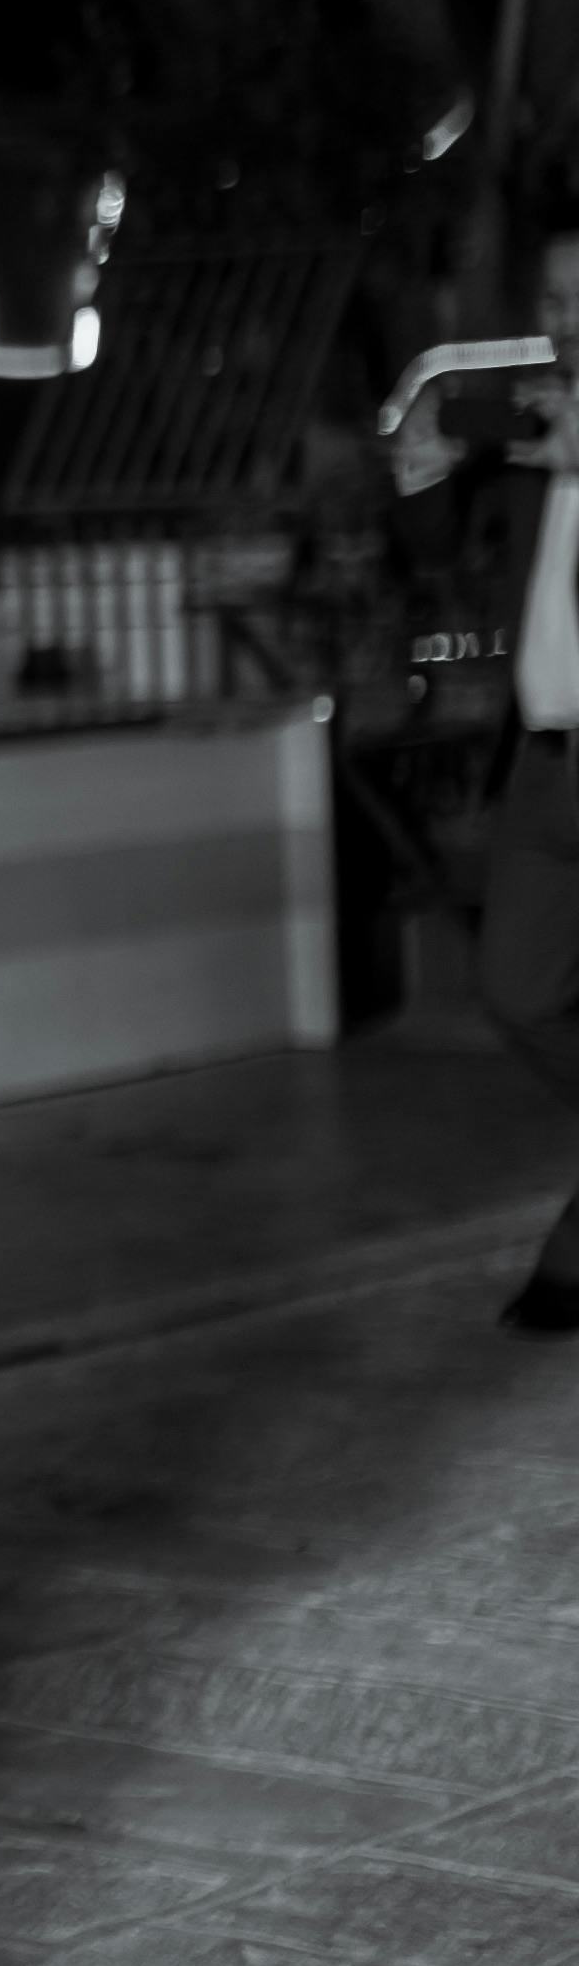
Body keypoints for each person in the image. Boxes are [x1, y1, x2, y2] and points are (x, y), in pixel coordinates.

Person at [393, 200, 579, 1329]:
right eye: (557, 301)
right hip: (545, 764)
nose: (568, 321)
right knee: (515, 990)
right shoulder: (527, 429)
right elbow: (432, 545)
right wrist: (421, 469)